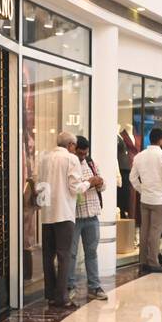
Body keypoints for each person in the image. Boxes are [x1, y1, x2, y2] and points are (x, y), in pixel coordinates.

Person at [35, 131, 92, 308]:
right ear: (71, 145)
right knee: (64, 255)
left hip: (47, 214)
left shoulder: (44, 158)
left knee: (48, 256)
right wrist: (90, 182)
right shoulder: (71, 159)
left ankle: (50, 294)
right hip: (64, 213)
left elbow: (39, 185)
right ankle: (62, 297)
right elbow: (75, 187)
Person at [68, 136, 108, 302]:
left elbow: (103, 186)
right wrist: (89, 182)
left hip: (92, 215)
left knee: (91, 253)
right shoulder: (69, 165)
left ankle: (94, 286)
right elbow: (72, 189)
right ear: (74, 149)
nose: (83, 156)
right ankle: (69, 286)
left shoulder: (92, 164)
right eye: (80, 153)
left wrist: (99, 183)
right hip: (75, 216)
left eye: (85, 153)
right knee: (71, 254)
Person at [130, 128, 162, 274]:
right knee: (155, 232)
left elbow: (132, 178)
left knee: (144, 231)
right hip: (159, 200)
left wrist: (141, 189)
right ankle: (154, 262)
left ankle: (143, 262)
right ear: (161, 139)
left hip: (145, 199)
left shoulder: (139, 156)